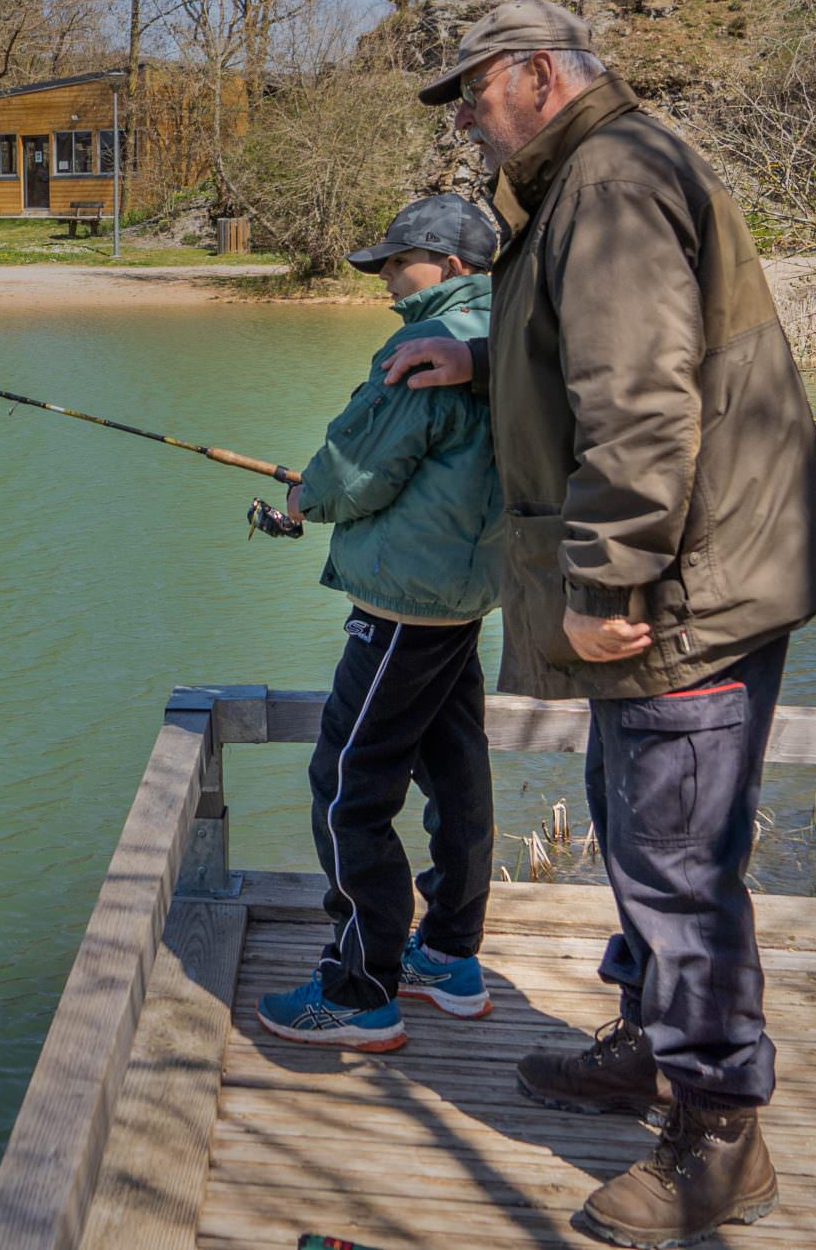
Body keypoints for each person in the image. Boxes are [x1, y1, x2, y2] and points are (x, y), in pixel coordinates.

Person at [384, 0, 816, 1248]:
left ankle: (717, 1136)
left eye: (474, 94)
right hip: (701, 570)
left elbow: (642, 403)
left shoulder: (609, 181)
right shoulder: (604, 166)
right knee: (640, 825)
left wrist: (609, 584)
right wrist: (477, 365)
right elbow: (616, 347)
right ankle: (651, 1046)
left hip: (681, 591)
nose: (467, 122)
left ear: (537, 75)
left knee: (678, 865)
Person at [247, 192, 504, 1053]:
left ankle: (363, 987)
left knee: (346, 788)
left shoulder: (421, 346)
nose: (389, 275)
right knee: (457, 772)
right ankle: (449, 956)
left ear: (455, 266)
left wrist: (301, 497)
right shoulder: (517, 343)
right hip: (462, 597)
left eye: (403, 259)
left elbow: (357, 470)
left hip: (401, 607)